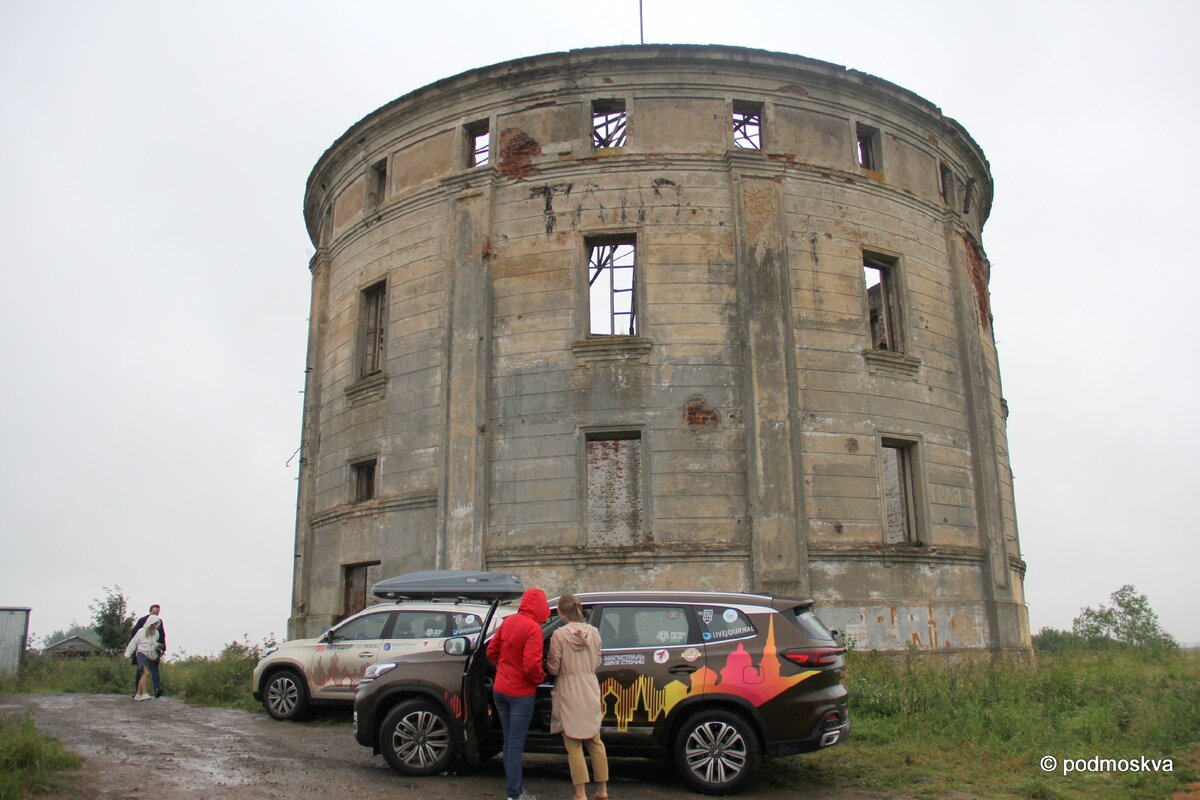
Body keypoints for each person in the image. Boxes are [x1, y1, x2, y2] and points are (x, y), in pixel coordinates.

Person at [486, 588, 550, 800]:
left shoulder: (510, 621)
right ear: (539, 607)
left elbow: (491, 651)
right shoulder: (533, 628)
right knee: (515, 744)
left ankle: (516, 790)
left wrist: (504, 668)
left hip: (500, 690)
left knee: (508, 742)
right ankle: (514, 793)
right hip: (520, 693)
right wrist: (540, 678)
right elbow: (531, 665)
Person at [547, 593, 609, 800]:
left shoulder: (559, 635)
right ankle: (602, 790)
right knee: (595, 740)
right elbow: (597, 661)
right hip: (590, 686)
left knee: (573, 743)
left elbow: (554, 667)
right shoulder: (594, 632)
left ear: (562, 614)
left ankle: (580, 793)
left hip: (569, 687)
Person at [124, 614, 163, 701]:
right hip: (141, 653)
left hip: (150, 655)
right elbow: (134, 642)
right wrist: (127, 654)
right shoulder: (141, 631)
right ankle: (144, 693)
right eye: (153, 624)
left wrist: (158, 646)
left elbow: (153, 644)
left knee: (143, 674)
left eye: (156, 624)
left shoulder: (156, 633)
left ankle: (138, 694)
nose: (154, 626)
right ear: (149, 623)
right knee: (146, 673)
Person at [130, 604, 166, 698]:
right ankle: (138, 691)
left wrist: (163, 647)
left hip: (153, 650)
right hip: (142, 651)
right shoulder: (142, 621)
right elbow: (134, 635)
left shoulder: (159, 622)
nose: (155, 615)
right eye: (154, 612)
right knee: (141, 671)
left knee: (155, 670)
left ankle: (157, 689)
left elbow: (162, 635)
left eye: (157, 613)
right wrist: (131, 650)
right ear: (150, 612)